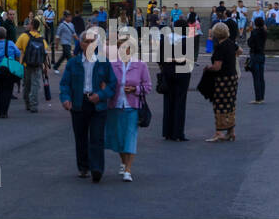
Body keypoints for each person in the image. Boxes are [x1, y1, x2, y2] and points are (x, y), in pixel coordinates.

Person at [61, 29, 116, 181]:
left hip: (97, 102)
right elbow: (65, 84)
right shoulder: (73, 63)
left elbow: (112, 84)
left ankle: (97, 168)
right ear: (81, 43)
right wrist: (65, 99)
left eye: (92, 41)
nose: (89, 44)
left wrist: (101, 95)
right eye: (86, 41)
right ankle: (83, 166)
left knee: (97, 137)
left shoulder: (103, 62)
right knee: (81, 137)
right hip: (79, 102)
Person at [107, 33, 152, 181]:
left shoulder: (140, 65)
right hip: (115, 105)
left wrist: (135, 89)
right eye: (120, 47)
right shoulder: (112, 64)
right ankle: (123, 161)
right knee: (119, 138)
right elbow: (108, 83)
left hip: (133, 106)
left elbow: (148, 86)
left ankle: (128, 169)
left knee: (130, 137)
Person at [205, 22, 238, 141]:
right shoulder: (231, 43)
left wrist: (209, 67)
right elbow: (239, 51)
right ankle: (231, 131)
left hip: (222, 78)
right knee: (230, 104)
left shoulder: (219, 47)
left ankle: (219, 132)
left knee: (219, 104)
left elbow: (217, 66)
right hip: (232, 77)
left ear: (216, 34)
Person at [160, 18, 192, 141]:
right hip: (182, 73)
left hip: (168, 72)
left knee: (168, 101)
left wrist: (165, 67)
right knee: (180, 102)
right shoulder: (186, 42)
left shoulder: (166, 40)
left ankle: (167, 132)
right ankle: (178, 133)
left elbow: (159, 58)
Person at [16, 18, 48, 112]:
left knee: (26, 85)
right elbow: (45, 54)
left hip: (26, 65)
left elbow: (17, 49)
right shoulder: (41, 39)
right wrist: (45, 67)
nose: (27, 25)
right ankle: (34, 105)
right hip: (37, 65)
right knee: (35, 85)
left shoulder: (23, 36)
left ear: (32, 26)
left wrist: (19, 62)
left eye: (29, 24)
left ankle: (27, 104)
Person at [247, 16, 267, 104]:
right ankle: (262, 97)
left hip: (255, 55)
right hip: (262, 54)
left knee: (256, 78)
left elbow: (250, 43)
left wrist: (249, 35)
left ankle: (257, 98)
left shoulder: (254, 32)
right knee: (261, 77)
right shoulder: (264, 32)